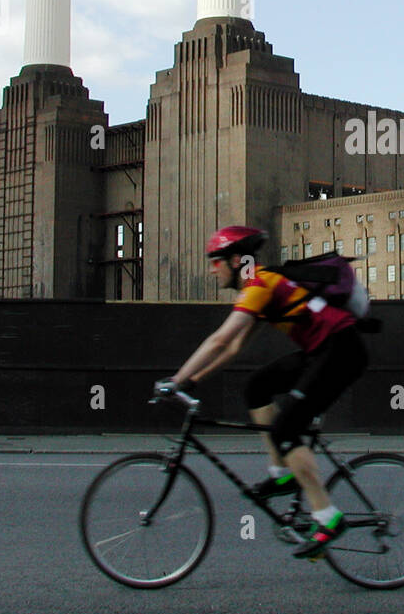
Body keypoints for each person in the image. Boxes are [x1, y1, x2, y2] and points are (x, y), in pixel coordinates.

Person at [157, 225, 369, 558]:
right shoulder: (261, 285)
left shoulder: (259, 283)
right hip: (322, 351)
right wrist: (195, 379)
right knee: (258, 387)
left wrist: (176, 379)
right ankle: (283, 474)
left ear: (236, 260)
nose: (212, 269)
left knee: (286, 429)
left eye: (216, 261)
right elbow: (234, 348)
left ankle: (328, 517)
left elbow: (220, 339)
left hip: (341, 352)